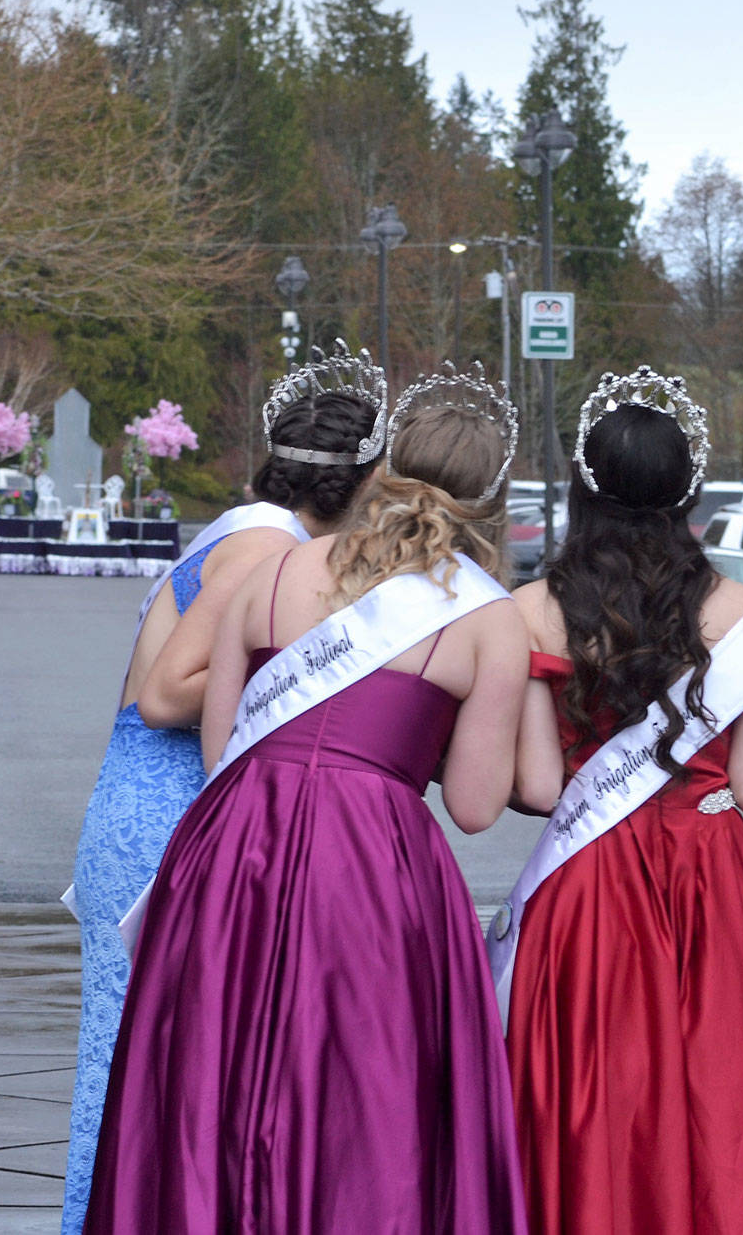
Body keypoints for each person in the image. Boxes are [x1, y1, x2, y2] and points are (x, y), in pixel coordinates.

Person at [85, 366, 531, 1233]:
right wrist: (395, 743)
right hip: (373, 863)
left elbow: (223, 745)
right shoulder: (488, 616)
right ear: (489, 495)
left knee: (214, 1079)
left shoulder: (278, 569)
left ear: (385, 465)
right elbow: (477, 803)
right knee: (360, 1097)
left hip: (236, 847)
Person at [496, 368, 743, 1234]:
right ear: (689, 490)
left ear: (583, 486)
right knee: (720, 1094)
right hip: (713, 876)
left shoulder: (534, 612)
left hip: (590, 881)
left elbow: (538, 789)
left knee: (598, 1100)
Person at [60, 342, 386, 1235]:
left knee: (153, 1068)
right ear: (352, 489)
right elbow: (167, 692)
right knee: (133, 1069)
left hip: (162, 805)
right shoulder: (263, 544)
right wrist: (308, 667)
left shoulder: (260, 533)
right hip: (164, 809)